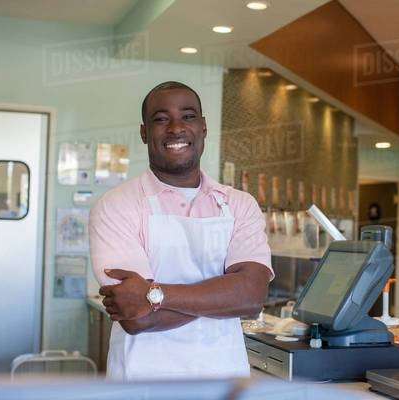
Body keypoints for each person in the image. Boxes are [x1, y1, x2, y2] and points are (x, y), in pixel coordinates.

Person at [89, 81, 273, 381]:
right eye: (161, 119)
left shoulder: (239, 204)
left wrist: (152, 295)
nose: (176, 128)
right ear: (144, 132)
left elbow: (251, 298)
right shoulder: (115, 206)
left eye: (188, 116)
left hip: (224, 382)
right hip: (142, 381)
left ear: (203, 127)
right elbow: (135, 317)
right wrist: (225, 297)